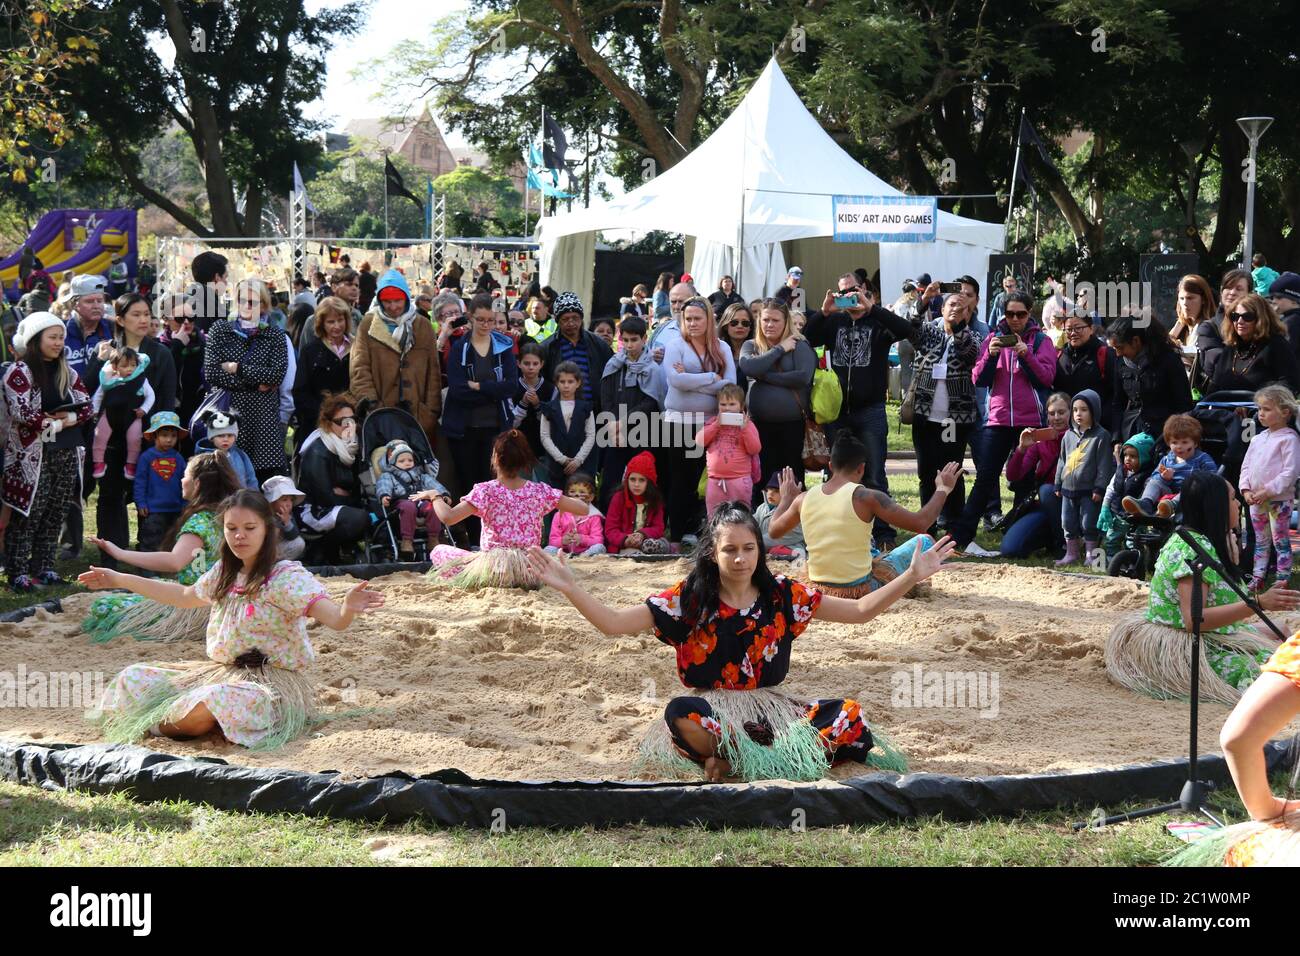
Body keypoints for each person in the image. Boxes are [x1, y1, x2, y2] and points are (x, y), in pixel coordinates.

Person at [526, 504, 956, 782]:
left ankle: (741, 761)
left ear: (759, 551)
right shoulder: (689, 599)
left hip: (771, 711)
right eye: (730, 549)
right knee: (681, 712)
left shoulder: (784, 595)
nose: (740, 558)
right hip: (715, 717)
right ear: (713, 552)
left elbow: (861, 612)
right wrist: (570, 587)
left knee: (846, 714)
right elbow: (614, 624)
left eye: (749, 548)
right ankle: (735, 756)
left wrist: (911, 576)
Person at [81, 490, 386, 750]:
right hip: (221, 674)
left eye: (249, 528)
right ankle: (159, 722)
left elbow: (336, 620)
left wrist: (347, 608)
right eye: (232, 528)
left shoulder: (287, 577)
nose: (239, 536)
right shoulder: (224, 572)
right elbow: (184, 596)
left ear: (268, 530)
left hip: (270, 685)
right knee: (133, 676)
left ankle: (153, 726)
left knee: (212, 701)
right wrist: (121, 579)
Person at [1105, 472, 1300, 705]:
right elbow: (1194, 620)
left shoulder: (1202, 540)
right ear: (1215, 507)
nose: (1238, 504)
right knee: (1273, 674)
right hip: (1193, 646)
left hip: (1212, 636)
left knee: (1281, 630)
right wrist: (1258, 604)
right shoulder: (1192, 550)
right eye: (1231, 498)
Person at [805, 277, 916, 547]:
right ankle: (840, 531)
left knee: (875, 473)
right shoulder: (833, 323)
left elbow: (905, 330)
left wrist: (873, 309)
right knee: (837, 474)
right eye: (845, 293)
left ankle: (883, 534)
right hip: (837, 411)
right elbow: (807, 337)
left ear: (867, 294)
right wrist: (824, 312)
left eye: (856, 293)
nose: (850, 298)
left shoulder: (878, 322)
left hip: (870, 410)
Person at [769, 436, 954, 597]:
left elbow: (774, 531)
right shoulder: (867, 497)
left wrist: (786, 499)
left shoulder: (803, 498)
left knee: (870, 552)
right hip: (862, 589)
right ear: (862, 469)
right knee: (925, 541)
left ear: (831, 466)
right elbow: (921, 522)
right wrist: (943, 489)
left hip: (818, 587)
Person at [84, 451, 239, 643]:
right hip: (221, 602)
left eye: (185, 476)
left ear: (197, 484)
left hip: (193, 604)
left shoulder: (201, 521)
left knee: (104, 606)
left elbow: (174, 561)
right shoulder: (227, 516)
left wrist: (121, 553)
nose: (181, 480)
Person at [948, 290, 1057, 554]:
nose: (1015, 319)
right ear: (1004, 315)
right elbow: (979, 380)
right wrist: (992, 355)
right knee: (985, 478)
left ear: (1029, 313)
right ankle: (960, 536)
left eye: (1020, 314)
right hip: (997, 420)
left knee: (1025, 480)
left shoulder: (1041, 341)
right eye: (1010, 314)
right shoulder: (992, 339)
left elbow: (1046, 378)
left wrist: (1025, 354)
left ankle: (1019, 536)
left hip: (1029, 419)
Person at [427, 429, 589, 587]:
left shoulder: (485, 491)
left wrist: (435, 495)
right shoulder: (540, 491)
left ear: (495, 458)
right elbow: (583, 509)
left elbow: (448, 517)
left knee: (438, 551)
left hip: (495, 571)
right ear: (524, 460)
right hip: (531, 571)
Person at [2, 314, 94, 591]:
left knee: (56, 511)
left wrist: (67, 420)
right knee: (29, 512)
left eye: (61, 337)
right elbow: (20, 410)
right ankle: (18, 571)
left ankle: (44, 567)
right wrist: (54, 421)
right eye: (52, 337)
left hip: (65, 450)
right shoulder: (20, 371)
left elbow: (87, 405)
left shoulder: (69, 372)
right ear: (35, 339)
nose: (58, 343)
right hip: (31, 456)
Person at [443, 294, 520, 544]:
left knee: (493, 484)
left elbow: (510, 386)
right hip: (464, 429)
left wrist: (478, 386)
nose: (486, 325)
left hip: (495, 428)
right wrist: (489, 390)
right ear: (470, 319)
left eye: (490, 320)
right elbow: (456, 389)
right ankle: (474, 538)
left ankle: (493, 536)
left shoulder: (504, 346)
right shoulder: (460, 349)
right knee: (468, 484)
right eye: (481, 320)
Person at [663, 295, 736, 544]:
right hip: (677, 422)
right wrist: (711, 378)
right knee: (679, 478)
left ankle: (698, 531)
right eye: (687, 319)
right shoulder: (675, 345)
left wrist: (693, 381)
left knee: (704, 478)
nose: (692, 323)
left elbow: (730, 386)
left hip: (710, 422)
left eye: (697, 318)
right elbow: (675, 381)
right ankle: (676, 534)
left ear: (708, 319)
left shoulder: (722, 347)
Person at [203, 279, 289, 484]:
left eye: (253, 302)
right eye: (242, 300)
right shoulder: (220, 329)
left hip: (263, 420)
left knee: (265, 481)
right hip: (228, 413)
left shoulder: (274, 334)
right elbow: (212, 373)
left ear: (264, 304)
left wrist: (236, 368)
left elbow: (276, 375)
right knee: (229, 477)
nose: (247, 306)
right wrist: (254, 383)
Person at [909, 292, 979, 533]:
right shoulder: (930, 332)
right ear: (942, 308)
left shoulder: (973, 336)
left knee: (951, 471)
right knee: (926, 472)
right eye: (952, 304)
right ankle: (926, 527)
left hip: (953, 420)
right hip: (925, 416)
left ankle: (953, 526)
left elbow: (968, 353)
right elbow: (911, 327)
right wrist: (923, 302)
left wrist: (959, 324)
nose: (956, 309)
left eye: (962, 307)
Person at [349, 269, 442, 449]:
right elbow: (359, 369)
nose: (392, 307)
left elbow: (433, 373)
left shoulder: (423, 326)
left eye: (397, 300)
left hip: (418, 418)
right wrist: (372, 406)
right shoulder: (368, 325)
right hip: (380, 417)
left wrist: (430, 412)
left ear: (406, 298)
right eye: (387, 301)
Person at [739, 299, 815, 497]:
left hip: (792, 425)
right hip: (758, 425)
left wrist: (765, 376)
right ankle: (761, 519)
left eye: (775, 320)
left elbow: (802, 377)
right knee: (760, 475)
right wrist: (779, 349)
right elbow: (749, 367)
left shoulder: (799, 344)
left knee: (792, 477)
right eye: (765, 320)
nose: (769, 324)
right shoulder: (751, 345)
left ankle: (793, 522)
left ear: (785, 321)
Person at [598, 315, 665, 510]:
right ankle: (607, 523)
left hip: (643, 432)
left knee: (642, 479)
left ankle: (642, 524)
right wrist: (613, 425)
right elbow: (606, 397)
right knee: (611, 478)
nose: (629, 345)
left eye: (634, 340)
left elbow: (651, 402)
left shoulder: (652, 368)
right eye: (625, 340)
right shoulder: (614, 364)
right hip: (614, 430)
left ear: (644, 339)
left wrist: (624, 423)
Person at [1239, 385, 1300, 591]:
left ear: (1285, 412)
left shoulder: (1289, 439)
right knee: (1261, 540)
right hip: (1256, 499)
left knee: (1280, 539)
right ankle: (1258, 577)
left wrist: (1268, 490)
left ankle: (1282, 578)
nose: (1260, 413)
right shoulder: (1257, 438)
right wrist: (1245, 489)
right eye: (1259, 409)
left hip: (1279, 500)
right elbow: (1246, 466)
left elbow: (1290, 473)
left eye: (1266, 409)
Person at [297, 394, 369, 564]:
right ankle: (321, 548)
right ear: (328, 424)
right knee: (359, 518)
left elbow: (360, 484)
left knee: (375, 514)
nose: (348, 426)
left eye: (352, 420)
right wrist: (348, 497)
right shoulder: (317, 449)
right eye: (341, 421)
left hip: (338, 507)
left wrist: (346, 495)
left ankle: (343, 549)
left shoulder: (354, 447)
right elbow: (325, 496)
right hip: (314, 510)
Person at [998, 393, 1071, 559]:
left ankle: (1064, 544)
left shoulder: (1080, 438)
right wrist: (1022, 448)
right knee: (1010, 549)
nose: (1057, 417)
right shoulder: (1040, 441)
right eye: (1052, 413)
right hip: (1048, 507)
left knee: (1046, 490)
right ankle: (1052, 538)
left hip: (1074, 503)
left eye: (1061, 412)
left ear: (1071, 413)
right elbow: (1013, 475)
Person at [1108, 313, 1194, 443]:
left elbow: (1183, 403)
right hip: (1131, 434)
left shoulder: (1168, 360)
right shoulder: (1120, 362)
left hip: (1163, 434)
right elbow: (1118, 402)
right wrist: (1116, 439)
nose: (1118, 353)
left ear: (1136, 341)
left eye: (1120, 347)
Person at [1052, 389, 1115, 567]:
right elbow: (1062, 461)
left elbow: (1104, 465)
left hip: (1089, 491)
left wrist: (1099, 488)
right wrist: (1057, 483)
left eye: (1084, 409)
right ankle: (1071, 554)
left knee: (1089, 523)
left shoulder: (1101, 436)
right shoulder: (1068, 436)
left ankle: (1091, 556)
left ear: (1094, 411)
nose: (1079, 414)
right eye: (1075, 410)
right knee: (1067, 522)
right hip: (1068, 490)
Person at [292, 296, 352, 454]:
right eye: (331, 322)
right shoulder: (310, 351)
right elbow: (300, 391)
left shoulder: (357, 348)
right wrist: (326, 416)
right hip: (318, 425)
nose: (337, 326)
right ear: (321, 324)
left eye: (340, 320)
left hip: (351, 423)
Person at [375, 438, 448, 560]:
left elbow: (434, 485)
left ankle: (434, 538)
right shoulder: (388, 475)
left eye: (410, 460)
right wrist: (384, 495)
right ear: (392, 462)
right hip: (401, 503)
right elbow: (383, 485)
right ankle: (407, 541)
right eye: (401, 461)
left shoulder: (420, 475)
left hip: (421, 501)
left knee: (433, 506)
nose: (407, 463)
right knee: (408, 507)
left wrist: (443, 494)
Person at [696, 383, 761, 518]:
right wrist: (716, 426)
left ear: (741, 407)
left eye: (732, 404)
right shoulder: (713, 422)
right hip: (715, 481)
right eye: (723, 404)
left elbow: (755, 448)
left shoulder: (748, 424)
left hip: (739, 481)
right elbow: (699, 440)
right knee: (714, 518)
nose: (727, 408)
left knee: (741, 517)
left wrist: (745, 429)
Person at [90, 346, 153, 481]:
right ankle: (98, 462)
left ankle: (131, 464)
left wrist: (144, 409)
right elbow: (98, 395)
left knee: (135, 439)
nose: (130, 369)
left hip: (132, 416)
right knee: (99, 435)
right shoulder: (109, 380)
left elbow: (151, 396)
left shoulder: (141, 380)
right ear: (114, 366)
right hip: (109, 415)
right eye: (124, 366)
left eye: (133, 365)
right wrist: (95, 410)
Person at [540, 292, 613, 409]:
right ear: (558, 321)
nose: (571, 323)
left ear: (581, 318)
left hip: (594, 410)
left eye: (575, 318)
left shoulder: (598, 344)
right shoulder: (547, 347)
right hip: (560, 411)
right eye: (565, 319)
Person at [1098, 432, 1157, 562]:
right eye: (1125, 455)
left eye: (1133, 456)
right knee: (1111, 539)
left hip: (1136, 517)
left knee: (1133, 543)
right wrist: (1105, 507)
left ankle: (1134, 563)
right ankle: (1111, 560)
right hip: (1118, 514)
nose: (1127, 459)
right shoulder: (1121, 471)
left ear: (1145, 457)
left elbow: (1147, 495)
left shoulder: (1148, 477)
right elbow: (1111, 488)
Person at [133, 412, 187, 553]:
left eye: (173, 436)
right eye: (164, 435)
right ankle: (148, 573)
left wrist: (185, 504)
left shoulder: (179, 459)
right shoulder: (146, 457)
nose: (169, 440)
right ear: (155, 436)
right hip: (153, 511)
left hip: (175, 510)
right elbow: (140, 482)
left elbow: (186, 483)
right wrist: (141, 503)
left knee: (171, 542)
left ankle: (166, 571)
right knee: (151, 542)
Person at [539, 361, 597, 488]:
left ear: (578, 383)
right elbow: (545, 436)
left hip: (582, 465)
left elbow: (591, 435)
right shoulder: (549, 408)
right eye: (562, 382)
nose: (566, 386)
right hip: (556, 466)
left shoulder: (586, 407)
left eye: (570, 382)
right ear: (556, 383)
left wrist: (578, 460)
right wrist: (562, 459)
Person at [604, 451, 670, 555]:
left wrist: (642, 535)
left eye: (641, 480)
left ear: (649, 482)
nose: (636, 484)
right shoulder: (618, 498)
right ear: (627, 480)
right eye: (632, 479)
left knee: (656, 544)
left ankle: (651, 550)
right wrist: (626, 539)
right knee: (631, 552)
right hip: (624, 543)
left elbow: (658, 528)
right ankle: (638, 554)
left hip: (647, 541)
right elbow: (610, 529)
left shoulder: (655, 499)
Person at [510, 341, 557, 472]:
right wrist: (523, 403)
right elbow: (511, 423)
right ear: (518, 363)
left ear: (541, 364)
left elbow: (551, 422)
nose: (531, 367)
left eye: (535, 364)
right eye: (526, 363)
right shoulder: (511, 387)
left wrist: (537, 404)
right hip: (517, 446)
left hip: (543, 447)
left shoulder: (551, 389)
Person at [195, 409, 257, 490]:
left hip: (241, 499)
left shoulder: (240, 455)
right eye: (220, 435)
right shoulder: (205, 458)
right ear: (212, 438)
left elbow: (251, 478)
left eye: (230, 435)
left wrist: (253, 496)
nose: (226, 439)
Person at [546, 473, 606, 556]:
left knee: (600, 547)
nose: (577, 495)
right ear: (566, 495)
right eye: (572, 491)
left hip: (586, 553)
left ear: (591, 497)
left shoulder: (594, 516)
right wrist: (562, 541)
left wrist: (582, 539)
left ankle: (581, 558)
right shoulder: (559, 515)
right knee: (548, 549)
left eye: (582, 492)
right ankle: (565, 557)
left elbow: (598, 540)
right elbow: (552, 541)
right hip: (563, 553)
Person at [754, 472, 805, 558]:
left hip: (790, 545)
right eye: (768, 490)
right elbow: (753, 523)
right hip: (764, 545)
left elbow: (777, 537)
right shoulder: (762, 508)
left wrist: (754, 543)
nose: (770, 493)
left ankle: (794, 554)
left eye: (777, 491)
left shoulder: (794, 512)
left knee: (790, 551)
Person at [263, 475, 307, 562]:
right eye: (284, 500)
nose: (289, 503)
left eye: (291, 500)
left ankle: (278, 563)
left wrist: (287, 522)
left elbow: (293, 536)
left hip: (280, 548)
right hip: (264, 548)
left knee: (299, 543)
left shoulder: (288, 514)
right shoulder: (264, 514)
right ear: (272, 502)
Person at [1168, 274, 1217, 349]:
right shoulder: (1181, 327)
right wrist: (1179, 325)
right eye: (1181, 298)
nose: (1185, 303)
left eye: (1190, 298)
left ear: (1203, 299)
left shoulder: (1211, 327)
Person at [187, 251, 229, 331]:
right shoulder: (206, 310)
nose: (226, 283)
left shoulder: (190, 302)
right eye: (225, 277)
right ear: (217, 277)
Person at [717, 302, 753, 392]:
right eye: (734, 323)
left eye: (745, 323)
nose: (740, 326)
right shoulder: (716, 350)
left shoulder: (758, 351)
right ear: (725, 326)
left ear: (750, 327)